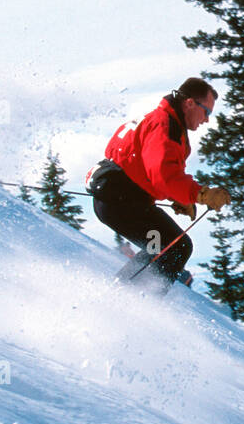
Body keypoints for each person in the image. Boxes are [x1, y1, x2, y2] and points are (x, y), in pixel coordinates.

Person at [88, 78, 230, 292]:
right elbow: (162, 175)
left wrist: (178, 197)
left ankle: (121, 294)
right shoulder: (165, 125)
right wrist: (201, 194)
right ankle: (135, 302)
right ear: (190, 103)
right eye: (206, 112)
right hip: (120, 199)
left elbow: (147, 166)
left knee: (165, 247)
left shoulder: (163, 120)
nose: (207, 120)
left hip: (117, 197)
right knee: (175, 247)